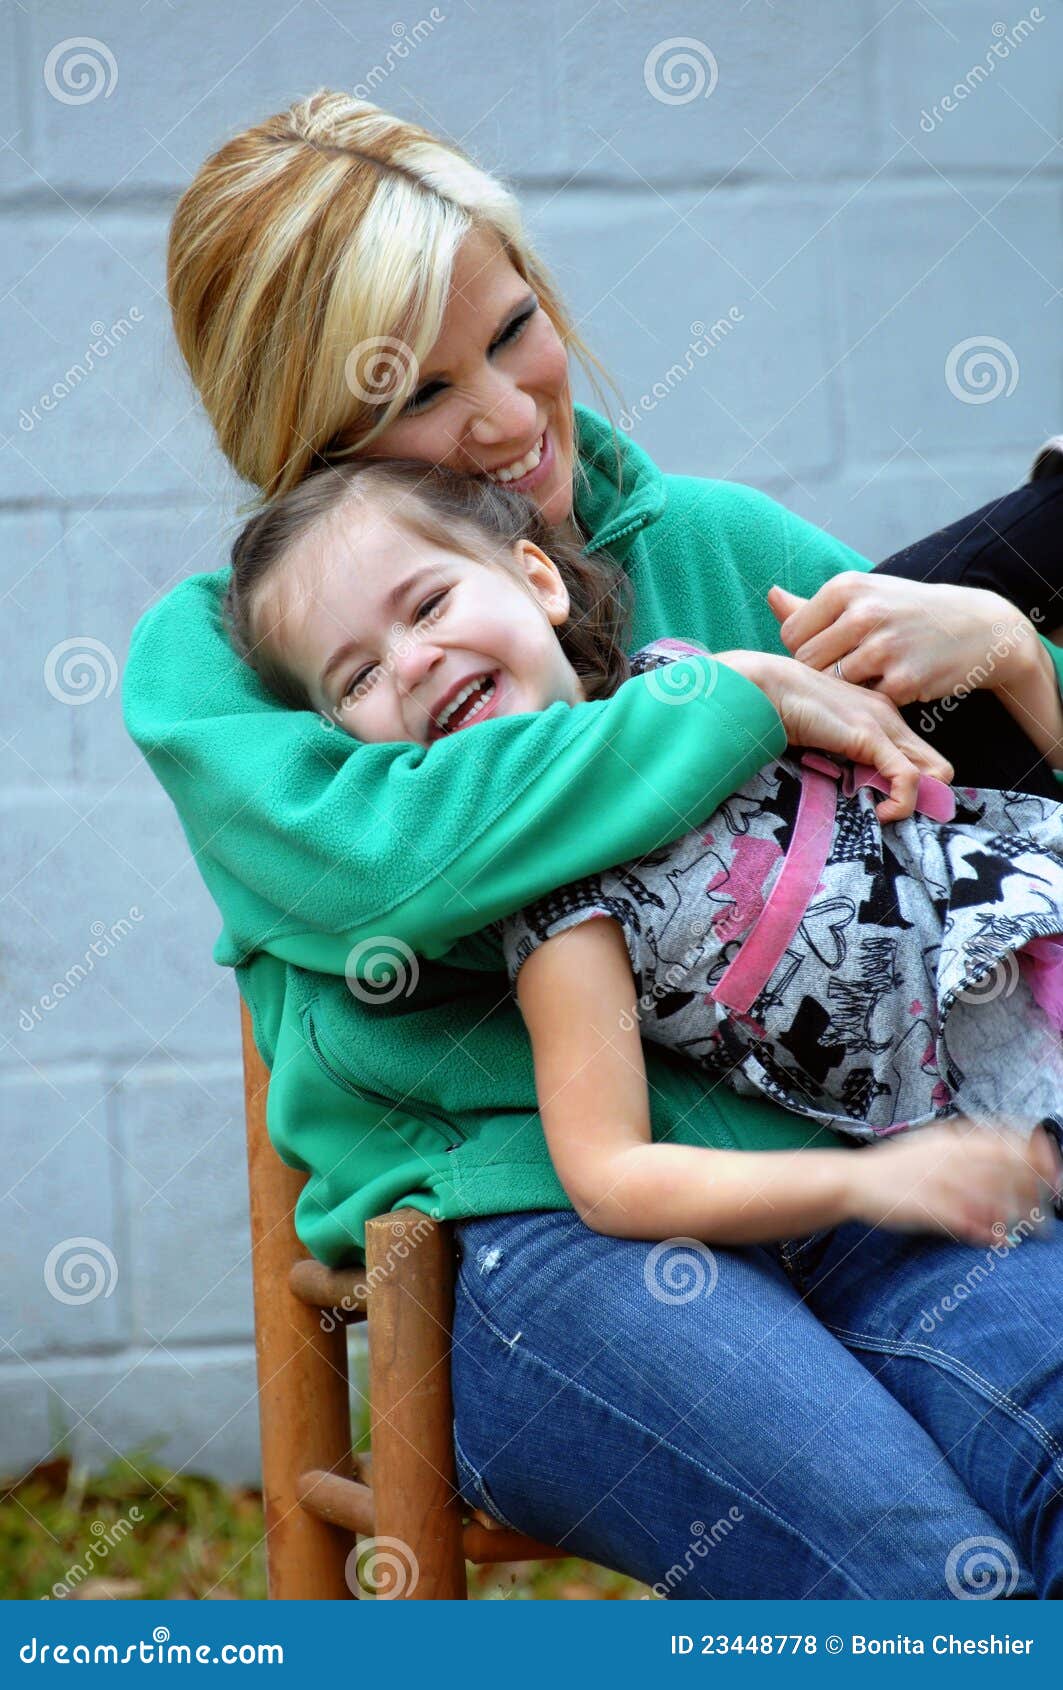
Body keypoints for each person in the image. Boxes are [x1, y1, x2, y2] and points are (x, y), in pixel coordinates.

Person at [123, 88, 1063, 1597]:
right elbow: (388, 853)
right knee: (920, 1573)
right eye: (417, 395)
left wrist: (1012, 654)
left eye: (512, 331)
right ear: (304, 440)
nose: (503, 415)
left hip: (870, 1177)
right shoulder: (235, 659)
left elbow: (970, 818)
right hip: (534, 1250)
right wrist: (728, 699)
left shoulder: (705, 540)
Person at [220, 451, 1063, 1249]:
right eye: (356, 677)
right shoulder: (561, 908)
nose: (408, 663)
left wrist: (996, 655)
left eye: (429, 604)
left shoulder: (684, 674)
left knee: (954, 579)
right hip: (1006, 1078)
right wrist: (864, 1186)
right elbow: (610, 1177)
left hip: (1026, 878)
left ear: (539, 579)